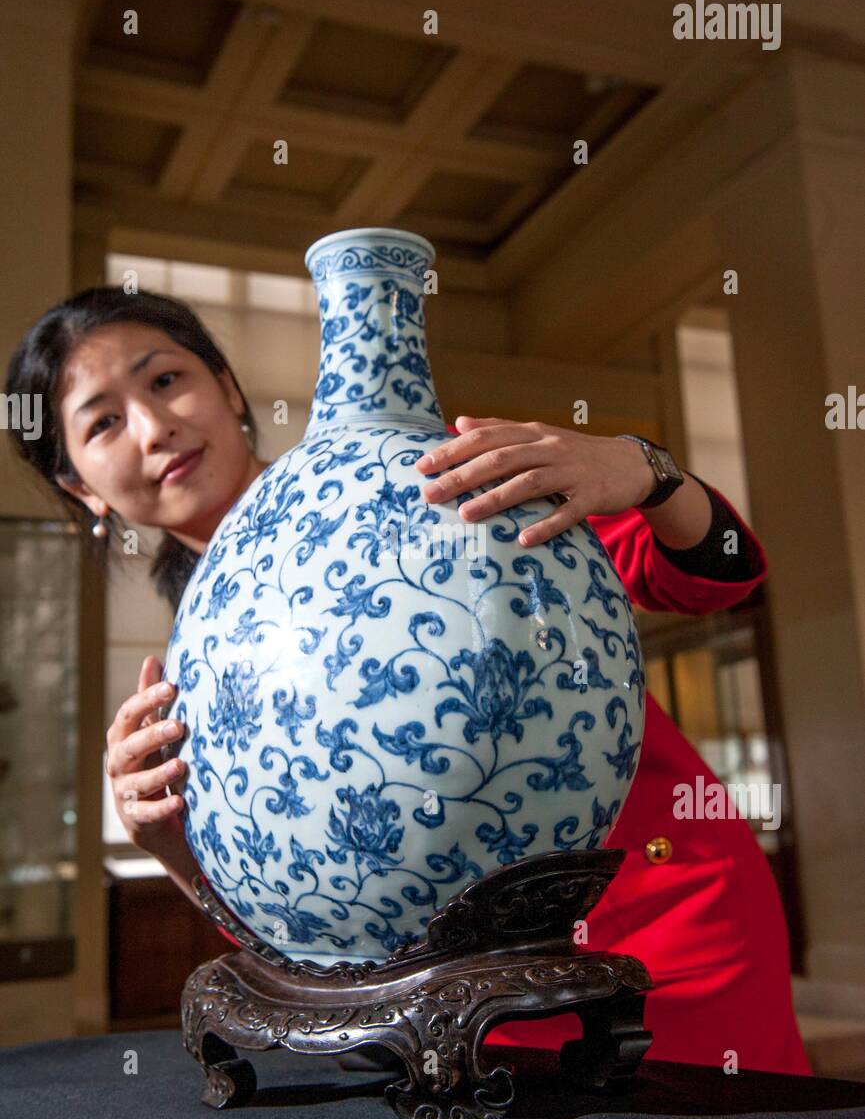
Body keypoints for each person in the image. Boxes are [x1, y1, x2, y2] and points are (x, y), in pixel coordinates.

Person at [5, 286, 811, 1077]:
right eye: (103, 422)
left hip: (663, 935)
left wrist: (644, 470)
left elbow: (719, 578)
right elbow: (286, 931)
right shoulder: (195, 651)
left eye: (166, 379)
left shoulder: (436, 484)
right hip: (430, 1010)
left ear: (226, 384)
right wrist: (164, 842)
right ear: (80, 483)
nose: (153, 426)